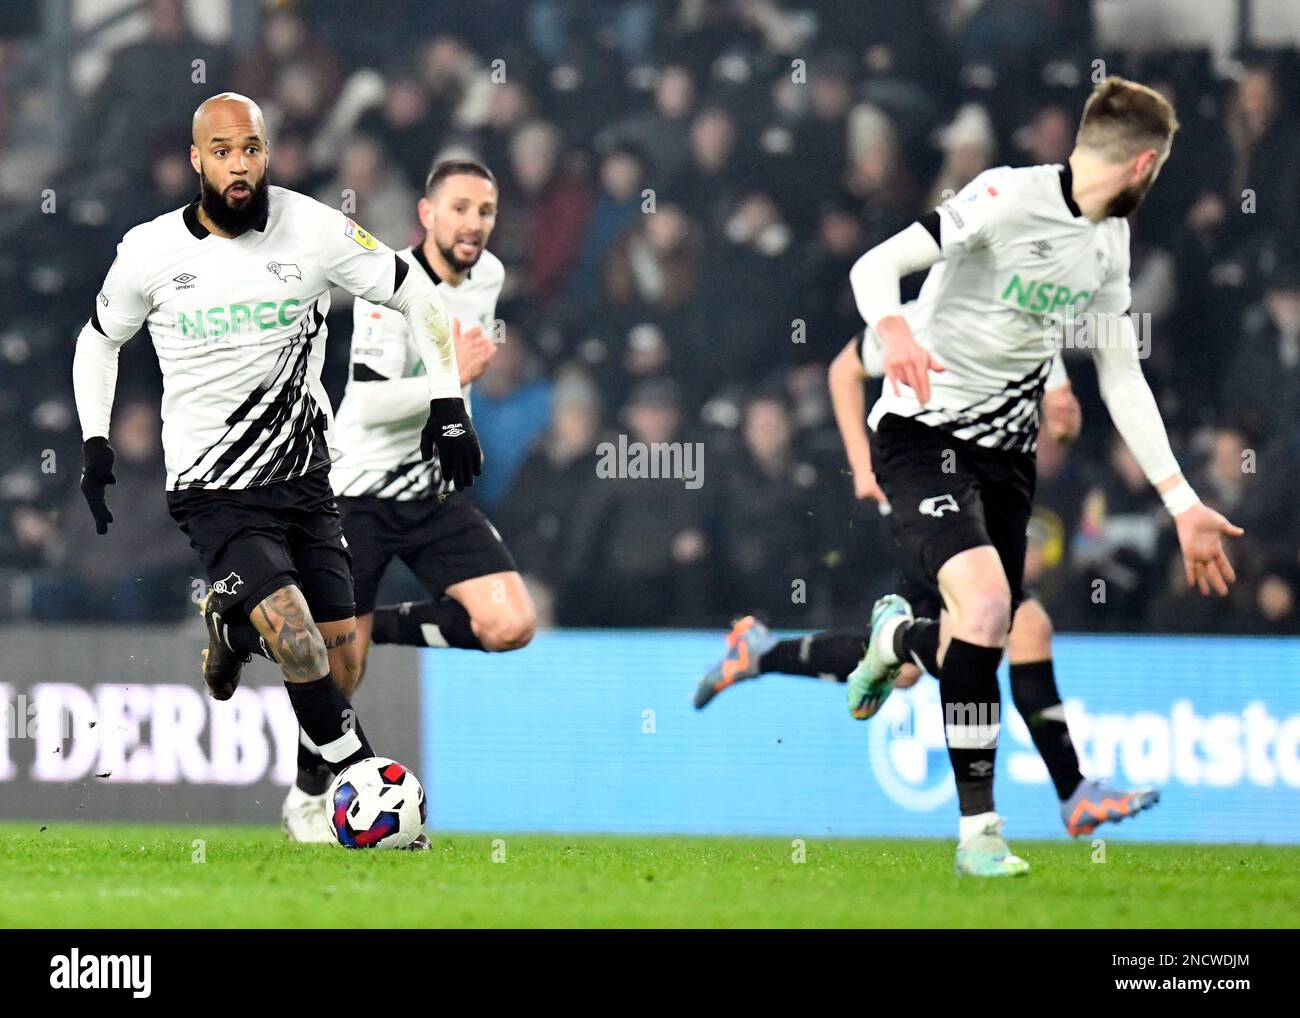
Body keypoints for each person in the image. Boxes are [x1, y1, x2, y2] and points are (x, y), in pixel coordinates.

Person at [848, 78, 1240, 876]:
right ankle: (979, 836)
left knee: (979, 634)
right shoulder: (1002, 196)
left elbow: (1121, 378)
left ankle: (894, 638)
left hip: (1007, 458)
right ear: (1142, 163)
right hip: (920, 434)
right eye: (1157, 169)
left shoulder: (1107, 247)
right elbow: (874, 265)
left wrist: (1183, 502)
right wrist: (892, 326)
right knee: (991, 607)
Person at [71, 93, 481, 849]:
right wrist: (95, 441)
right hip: (212, 490)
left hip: (305, 483)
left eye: (251, 149)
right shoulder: (151, 252)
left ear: (268, 152)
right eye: (222, 151)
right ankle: (364, 781)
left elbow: (417, 289)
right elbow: (99, 339)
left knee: (340, 655)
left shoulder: (316, 231)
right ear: (198, 160)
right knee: (295, 639)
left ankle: (237, 641)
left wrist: (447, 403)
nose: (239, 164)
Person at [695, 330, 1159, 839]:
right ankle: (1061, 795)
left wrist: (1057, 400)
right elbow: (843, 369)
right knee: (988, 632)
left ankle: (770, 654)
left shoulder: (1012, 322)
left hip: (967, 505)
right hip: (926, 499)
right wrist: (861, 464)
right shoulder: (923, 322)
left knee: (977, 645)